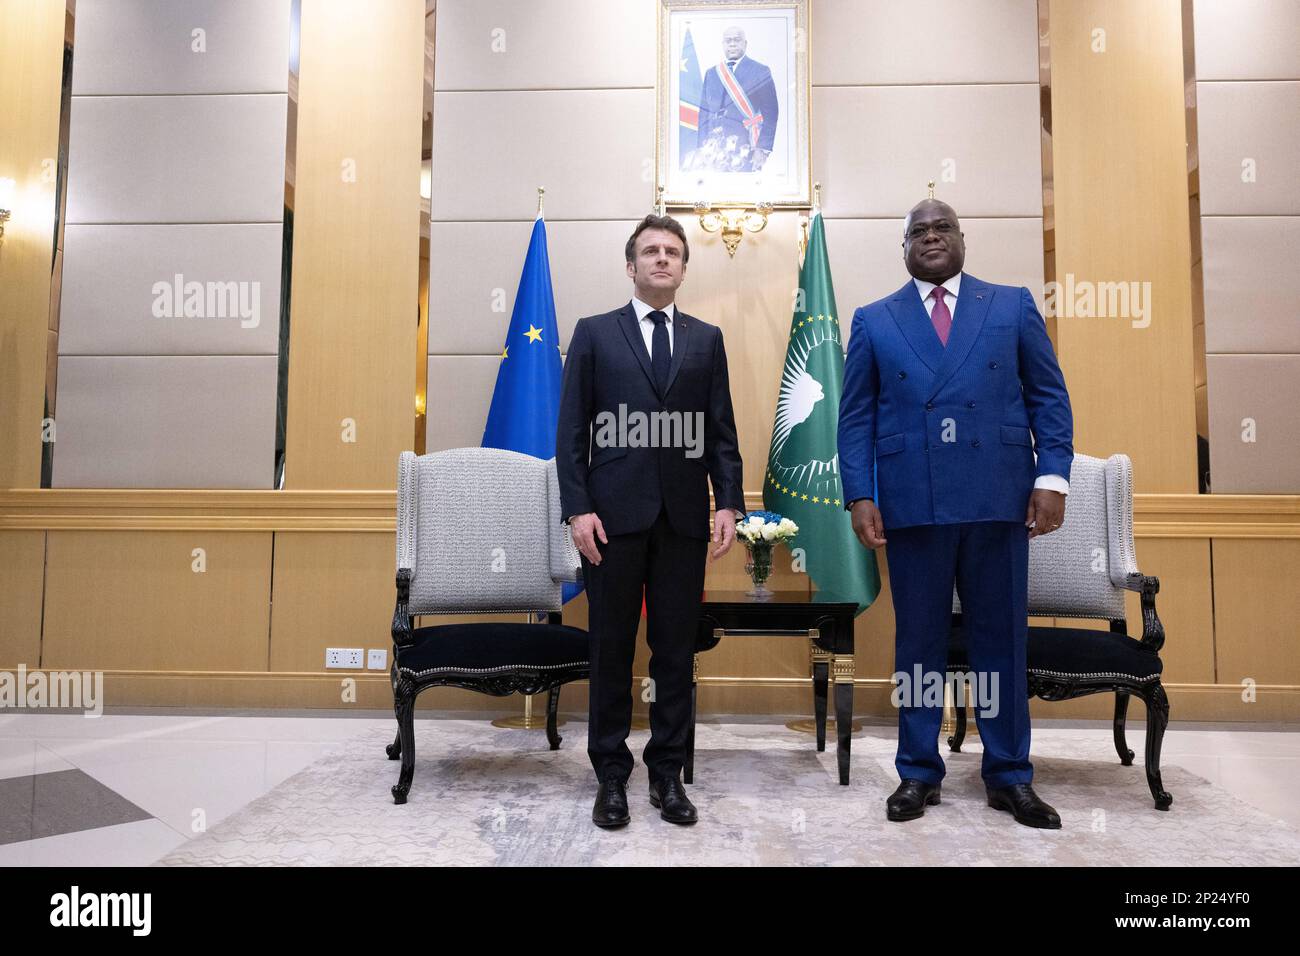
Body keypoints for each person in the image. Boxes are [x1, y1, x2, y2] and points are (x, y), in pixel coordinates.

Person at [837, 199, 1074, 829]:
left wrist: (1052, 478)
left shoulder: (1011, 304)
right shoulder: (873, 319)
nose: (931, 237)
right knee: (919, 644)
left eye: (942, 228)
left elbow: (1050, 396)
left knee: (1002, 640)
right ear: (905, 247)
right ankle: (917, 771)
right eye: (918, 231)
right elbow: (855, 417)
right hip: (913, 503)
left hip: (999, 498)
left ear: (962, 239)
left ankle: (1009, 775)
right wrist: (860, 494)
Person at [556, 214, 745, 828]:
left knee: (673, 653)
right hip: (610, 521)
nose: (661, 259)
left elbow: (721, 431)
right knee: (611, 649)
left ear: (684, 267)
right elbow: (570, 434)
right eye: (650, 251)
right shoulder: (594, 333)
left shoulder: (706, 338)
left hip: (685, 522)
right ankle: (611, 774)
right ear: (631, 266)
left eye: (672, 252)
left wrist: (729, 503)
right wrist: (578, 509)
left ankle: (667, 773)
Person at [695, 26, 779, 172]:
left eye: (737, 40)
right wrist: (701, 148)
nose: (732, 44)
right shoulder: (712, 73)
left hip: (746, 146)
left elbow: (771, 114)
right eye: (728, 41)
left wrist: (762, 148)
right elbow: (704, 114)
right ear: (723, 44)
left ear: (745, 44)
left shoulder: (760, 71)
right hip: (714, 147)